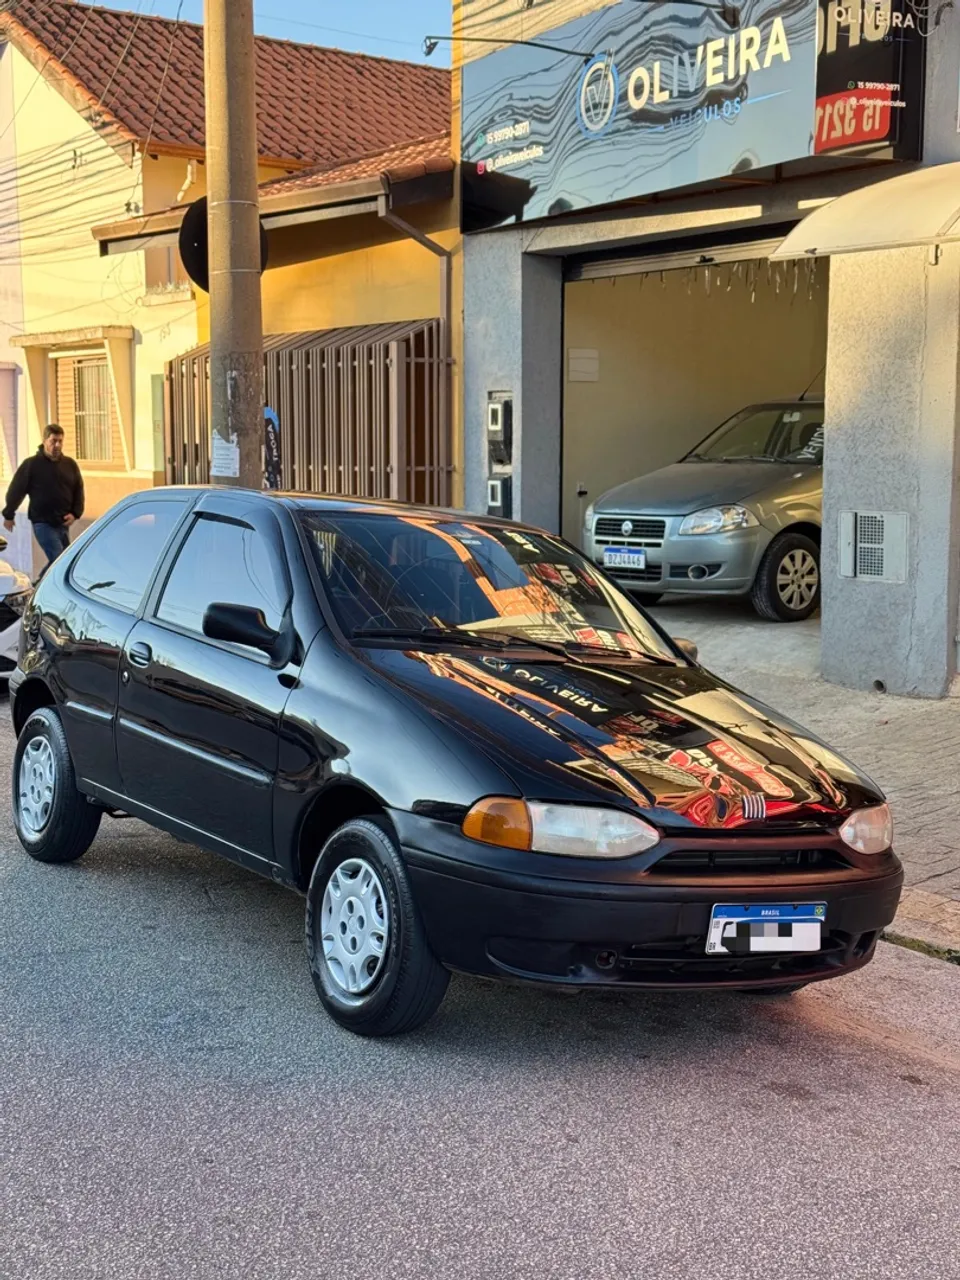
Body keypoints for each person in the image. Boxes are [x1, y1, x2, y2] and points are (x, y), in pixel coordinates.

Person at [3, 424, 84, 569]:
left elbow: (78, 489)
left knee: (65, 561)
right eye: (53, 441)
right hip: (42, 522)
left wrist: (75, 513)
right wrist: (9, 514)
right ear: (45, 441)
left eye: (60, 441)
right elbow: (16, 489)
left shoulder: (69, 465)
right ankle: (40, 587)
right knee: (60, 559)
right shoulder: (32, 465)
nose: (57, 445)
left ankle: (37, 585)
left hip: (63, 523)